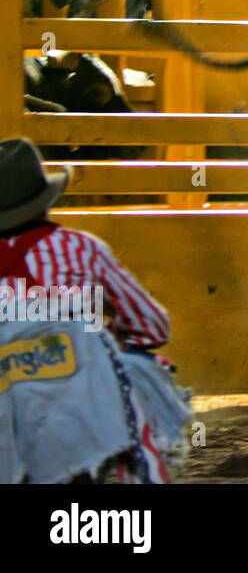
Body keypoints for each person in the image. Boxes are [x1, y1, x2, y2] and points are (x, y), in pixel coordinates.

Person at [0, 138, 191, 482]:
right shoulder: (81, 249)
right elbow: (154, 328)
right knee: (136, 366)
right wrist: (108, 335)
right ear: (44, 203)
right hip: (83, 403)